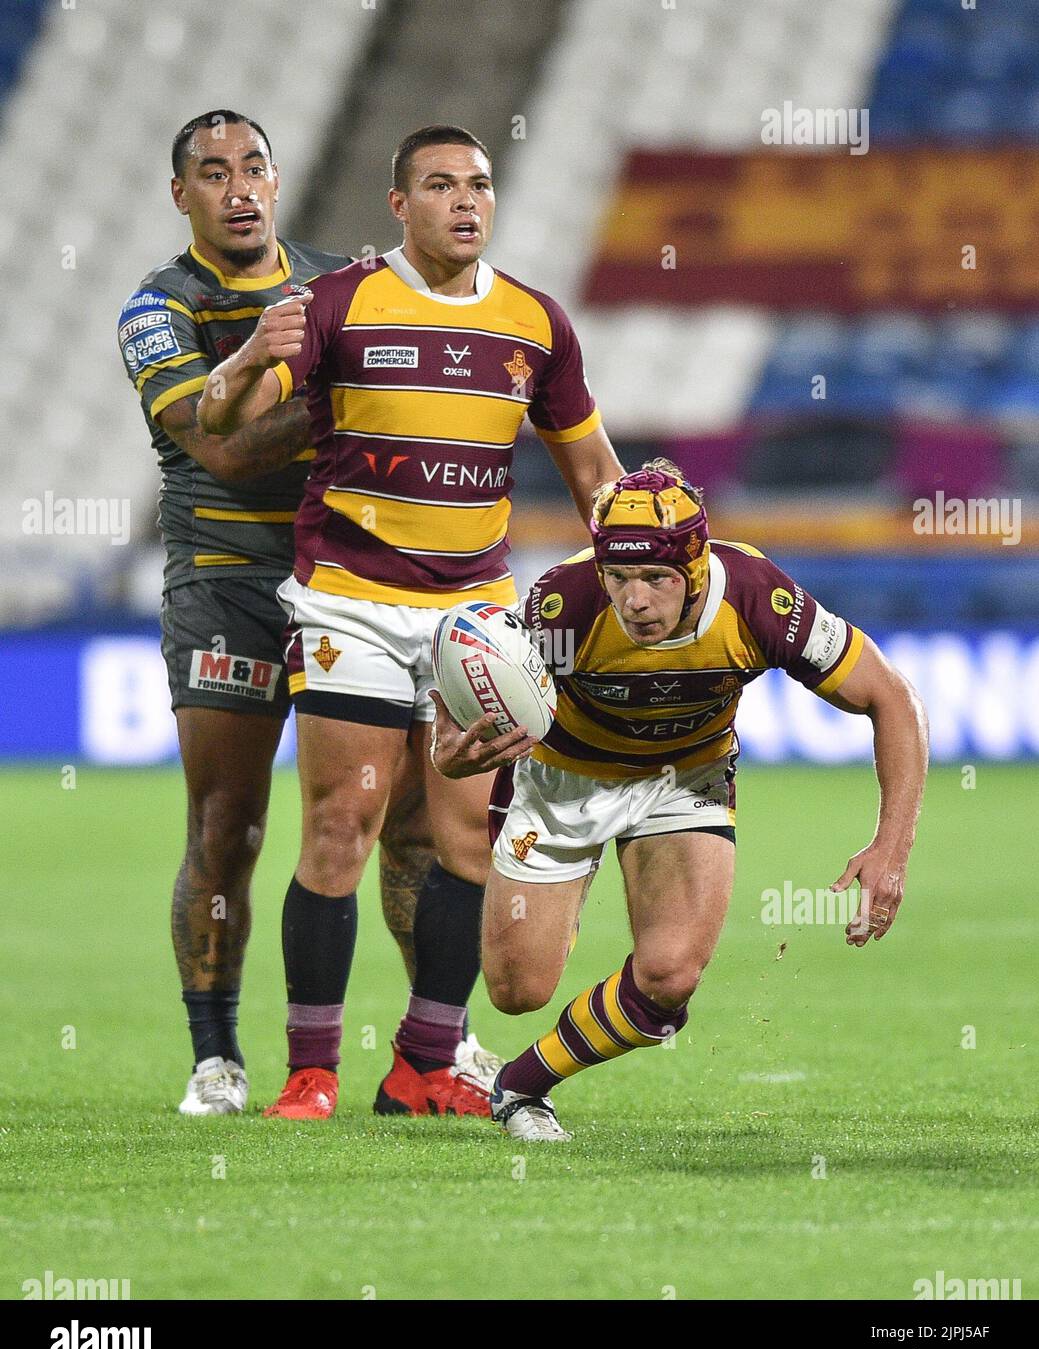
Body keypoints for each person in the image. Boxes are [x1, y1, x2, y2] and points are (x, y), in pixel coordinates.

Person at [199, 124, 623, 1120]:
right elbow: (220, 424)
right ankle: (311, 1071)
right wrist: (242, 361)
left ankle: (424, 1062)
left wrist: (651, 543)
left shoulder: (536, 324)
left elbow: (596, 476)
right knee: (341, 822)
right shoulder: (338, 304)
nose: (465, 201)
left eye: (478, 184)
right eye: (439, 185)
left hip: (471, 617)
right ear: (400, 205)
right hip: (349, 598)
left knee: (464, 841)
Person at [430, 461, 929, 1141]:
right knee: (517, 990)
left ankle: (519, 1085)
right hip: (561, 781)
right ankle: (562, 902)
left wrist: (889, 848)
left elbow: (890, 698)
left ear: (695, 570)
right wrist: (452, 748)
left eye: (655, 579)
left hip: (682, 780)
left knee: (666, 980)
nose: (633, 600)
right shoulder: (561, 605)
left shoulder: (760, 599)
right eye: (619, 577)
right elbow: (482, 705)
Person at [118, 110, 443, 1117]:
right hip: (226, 578)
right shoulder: (158, 311)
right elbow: (219, 450)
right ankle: (216, 1057)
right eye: (215, 174)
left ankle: (435, 1047)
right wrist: (351, 390)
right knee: (230, 824)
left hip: (351, 580)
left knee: (408, 825)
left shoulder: (337, 282)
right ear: (184, 196)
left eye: (255, 166)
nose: (241, 187)